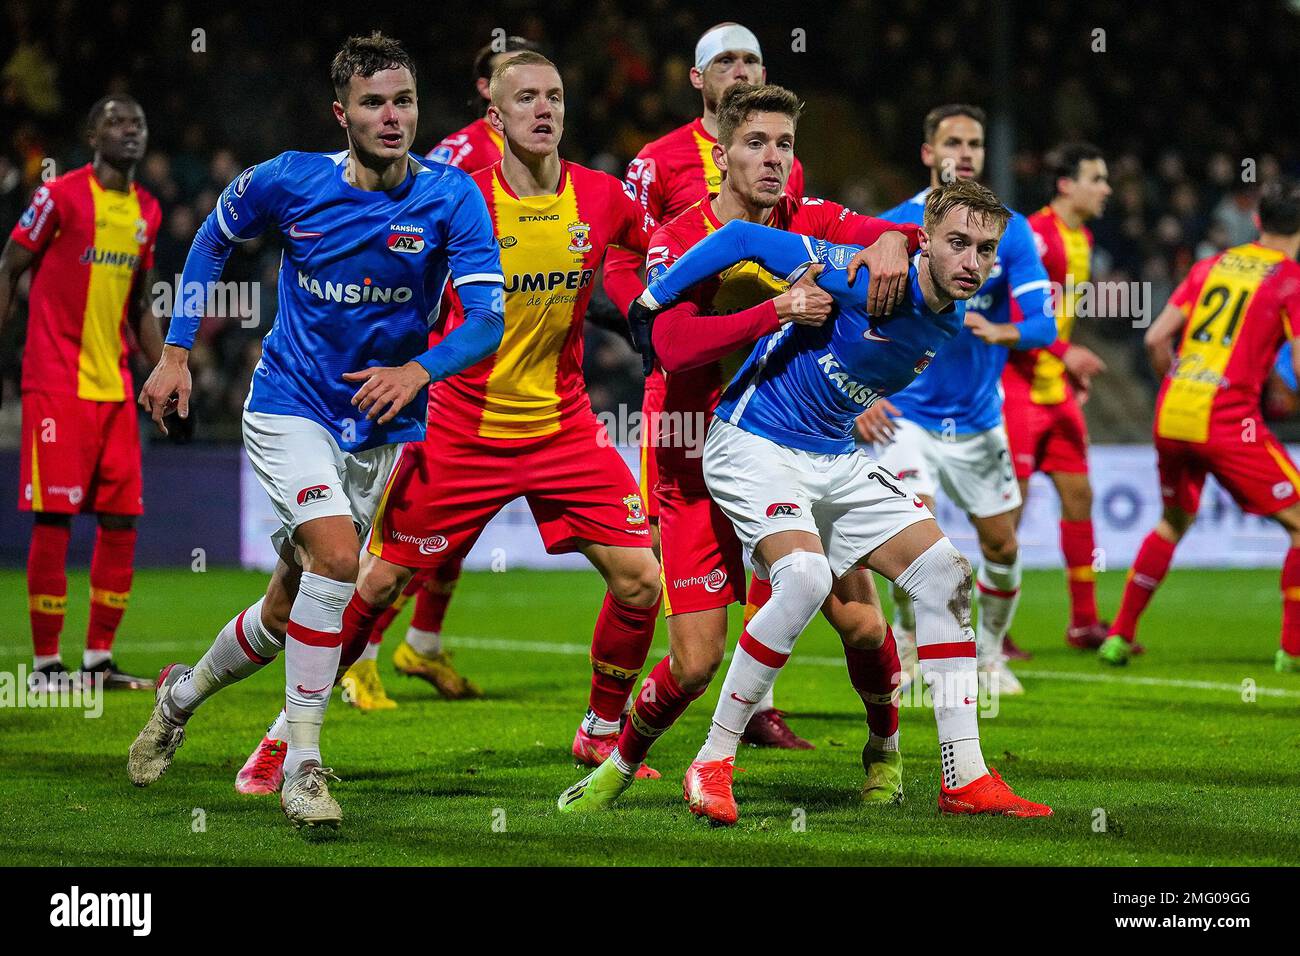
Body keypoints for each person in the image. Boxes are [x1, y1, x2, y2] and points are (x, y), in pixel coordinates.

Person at [234, 51, 664, 797]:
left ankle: (598, 733)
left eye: (555, 96)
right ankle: (283, 738)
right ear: (493, 116)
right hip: (461, 429)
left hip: (563, 429)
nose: (543, 110)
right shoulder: (459, 201)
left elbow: (663, 240)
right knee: (374, 584)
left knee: (639, 582)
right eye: (524, 98)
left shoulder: (601, 197)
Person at [126, 33, 506, 830]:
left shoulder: (452, 196)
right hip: (290, 405)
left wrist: (421, 370)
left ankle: (180, 695)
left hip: (382, 425)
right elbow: (210, 241)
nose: (392, 115)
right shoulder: (290, 179)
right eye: (373, 102)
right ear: (343, 114)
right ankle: (304, 766)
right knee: (340, 558)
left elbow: (486, 323)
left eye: (403, 99)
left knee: (290, 601)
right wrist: (176, 350)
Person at [608, 179, 1054, 823]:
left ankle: (966, 778)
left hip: (833, 456)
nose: (972, 262)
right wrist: (653, 299)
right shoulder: (859, 276)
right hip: (753, 443)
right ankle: (711, 760)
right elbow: (736, 238)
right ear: (923, 241)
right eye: (957, 243)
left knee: (948, 576)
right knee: (805, 579)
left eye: (986, 250)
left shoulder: (951, 313)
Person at [557, 83, 919, 815]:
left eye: (785, 145)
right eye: (756, 143)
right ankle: (616, 767)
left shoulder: (808, 219)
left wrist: (888, 238)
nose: (773, 158)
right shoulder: (680, 237)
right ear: (720, 154)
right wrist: (775, 309)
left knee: (863, 624)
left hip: (793, 452)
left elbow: (899, 233)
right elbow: (667, 345)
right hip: (694, 462)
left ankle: (884, 749)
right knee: (694, 662)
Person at [604, 22, 810, 747]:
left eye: (752, 57)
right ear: (698, 79)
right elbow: (623, 255)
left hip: (761, 396)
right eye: (725, 60)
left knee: (775, 554)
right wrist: (644, 317)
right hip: (684, 399)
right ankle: (605, 718)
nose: (741, 68)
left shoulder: (782, 160)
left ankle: (756, 705)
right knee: (645, 572)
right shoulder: (657, 164)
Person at [343, 34, 541, 709]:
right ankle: (356, 659)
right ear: (487, 93)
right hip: (451, 371)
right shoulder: (455, 162)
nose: (532, 99)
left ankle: (420, 645)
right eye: (511, 81)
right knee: (405, 536)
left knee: (461, 534)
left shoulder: (544, 166)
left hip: (525, 381)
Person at [860, 105, 1074, 693]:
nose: (964, 152)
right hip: (906, 416)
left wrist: (1001, 330)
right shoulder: (891, 227)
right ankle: (906, 643)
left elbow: (1043, 325)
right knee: (914, 530)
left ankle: (991, 653)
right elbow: (850, 320)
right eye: (952, 141)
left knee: (1001, 543)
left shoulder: (1013, 231)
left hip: (978, 419)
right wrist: (859, 399)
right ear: (928, 153)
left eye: (974, 143)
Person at [1102, 177, 1300, 671]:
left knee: (1173, 521)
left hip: (1174, 410)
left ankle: (1118, 637)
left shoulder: (1211, 265)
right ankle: (1292, 651)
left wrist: (1179, 383)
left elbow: (1154, 339)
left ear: (1257, 221)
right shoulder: (1291, 280)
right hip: (1227, 418)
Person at [0, 94, 162, 692]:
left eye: (137, 123)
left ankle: (98, 661)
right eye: (117, 121)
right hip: (56, 381)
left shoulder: (147, 209)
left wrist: (168, 367)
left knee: (121, 519)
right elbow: (7, 267)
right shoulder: (58, 195)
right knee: (55, 516)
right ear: (93, 133)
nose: (129, 131)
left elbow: (140, 305)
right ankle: (46, 668)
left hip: (114, 385)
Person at [1005, 143, 1114, 649]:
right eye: (1097, 178)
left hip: (1056, 389)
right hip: (1018, 387)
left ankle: (1084, 622)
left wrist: (1068, 367)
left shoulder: (1083, 239)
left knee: (1080, 496)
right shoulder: (1033, 234)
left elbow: (1057, 313)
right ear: (1067, 184)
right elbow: (1010, 312)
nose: (1106, 188)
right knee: (1012, 510)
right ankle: (994, 631)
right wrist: (1065, 352)